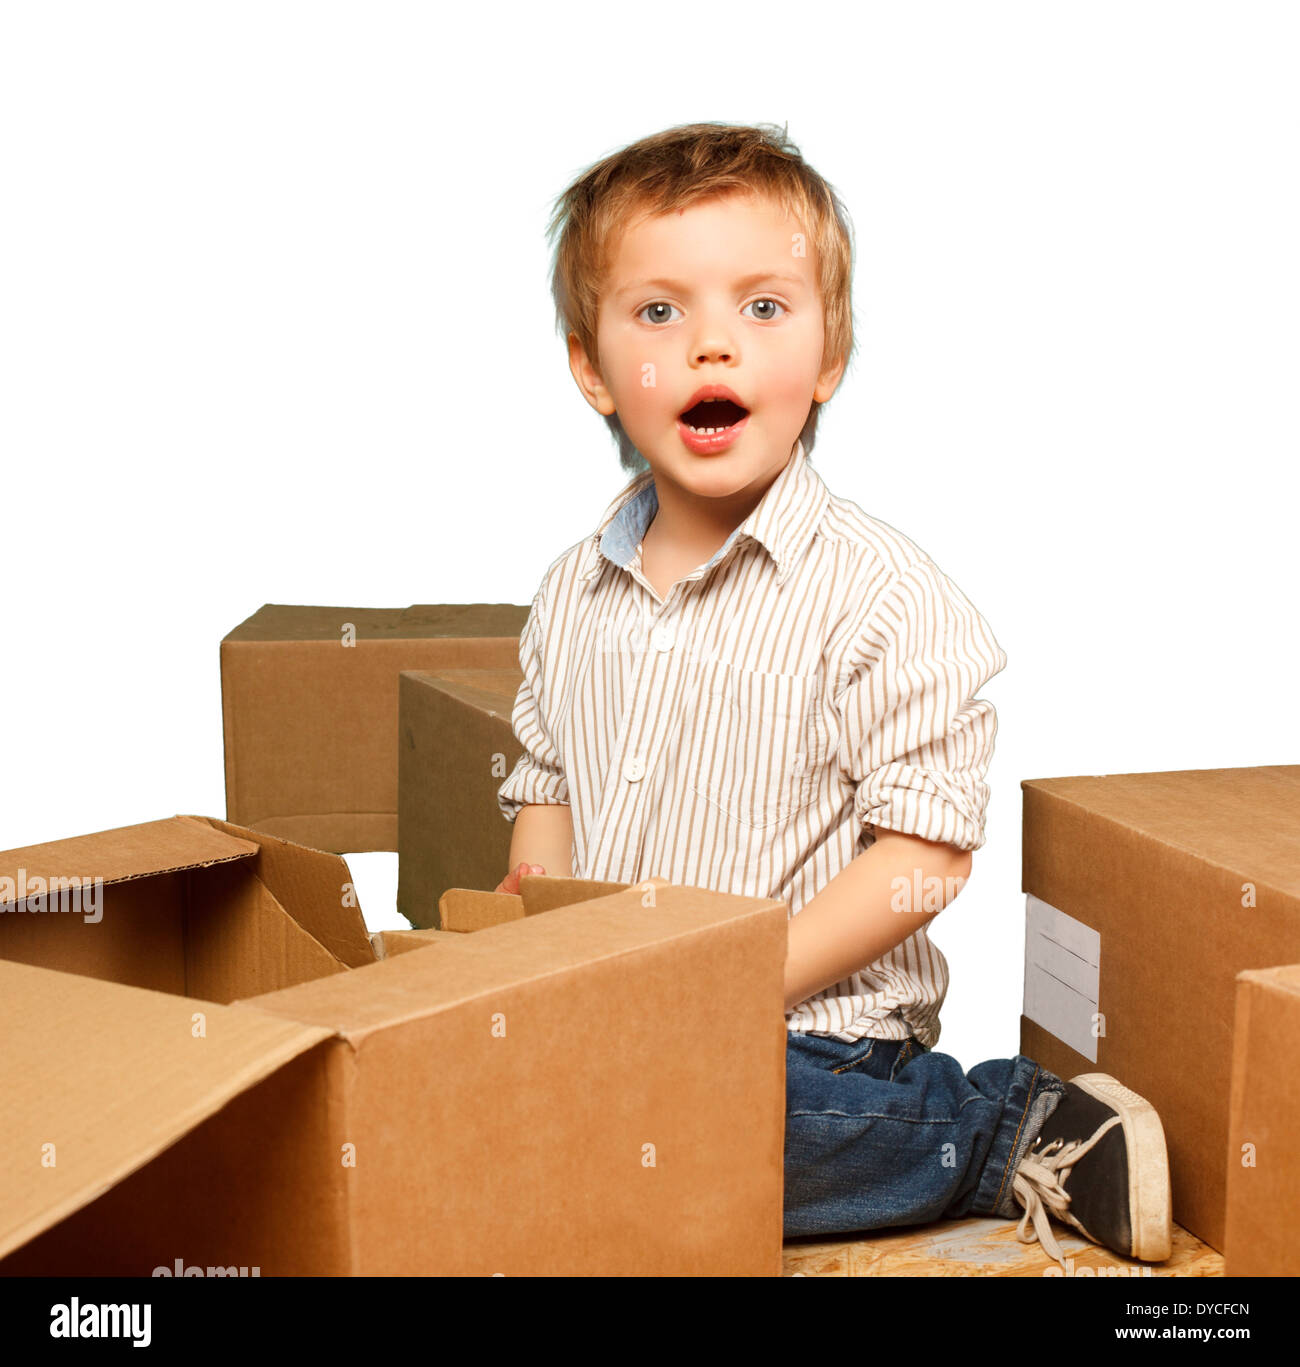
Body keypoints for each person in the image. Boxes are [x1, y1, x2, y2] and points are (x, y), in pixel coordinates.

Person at [493, 122, 1170, 1272]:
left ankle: (1001, 1123)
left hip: (814, 1035)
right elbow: (547, 780)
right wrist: (531, 929)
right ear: (592, 368)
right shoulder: (571, 592)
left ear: (830, 354)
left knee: (688, 1121)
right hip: (623, 1015)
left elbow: (927, 850)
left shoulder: (879, 594)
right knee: (501, 1100)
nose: (713, 346)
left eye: (763, 309)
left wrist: (731, 983)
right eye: (660, 312)